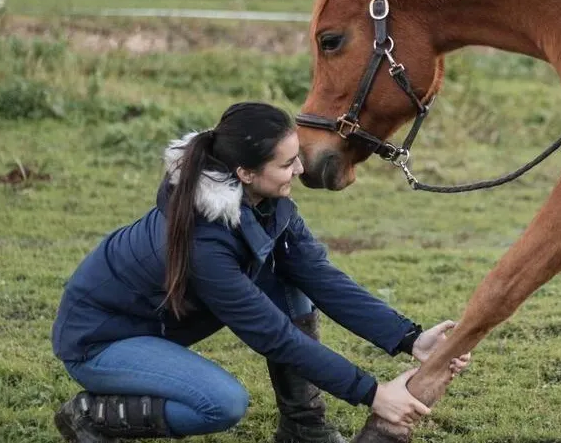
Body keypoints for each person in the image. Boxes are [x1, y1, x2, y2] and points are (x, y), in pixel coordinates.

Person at [51, 101, 469, 443]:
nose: (300, 171)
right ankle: (93, 416)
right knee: (221, 403)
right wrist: (374, 394)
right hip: (101, 340)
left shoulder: (265, 203)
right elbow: (273, 334)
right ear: (246, 173)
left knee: (292, 277)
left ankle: (303, 429)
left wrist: (409, 337)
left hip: (154, 327)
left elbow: (321, 278)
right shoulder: (204, 242)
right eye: (287, 164)